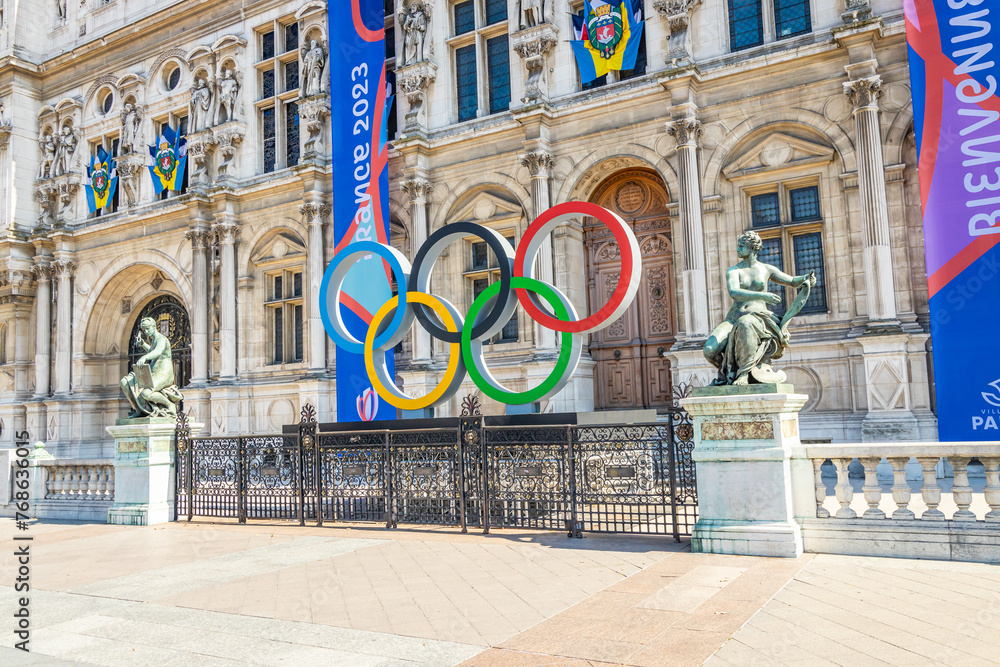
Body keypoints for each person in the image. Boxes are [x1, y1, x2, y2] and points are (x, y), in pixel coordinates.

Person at [703, 230, 815, 386]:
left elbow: (792, 281)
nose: (737, 249)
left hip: (758, 317)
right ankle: (729, 374)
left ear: (751, 248)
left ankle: (744, 373)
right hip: (733, 318)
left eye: (741, 246)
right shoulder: (734, 271)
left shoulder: (766, 269)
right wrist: (763, 296)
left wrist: (806, 278)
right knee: (709, 350)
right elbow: (734, 292)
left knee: (745, 323)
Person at [120, 317, 182, 418]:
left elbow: (158, 352)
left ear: (154, 326)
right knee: (125, 382)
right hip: (153, 373)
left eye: (148, 328)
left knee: (146, 393)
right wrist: (143, 344)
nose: (146, 331)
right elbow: (153, 350)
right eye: (144, 330)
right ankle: (139, 409)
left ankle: (169, 404)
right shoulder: (154, 341)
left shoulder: (161, 339)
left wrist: (144, 357)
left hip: (163, 374)